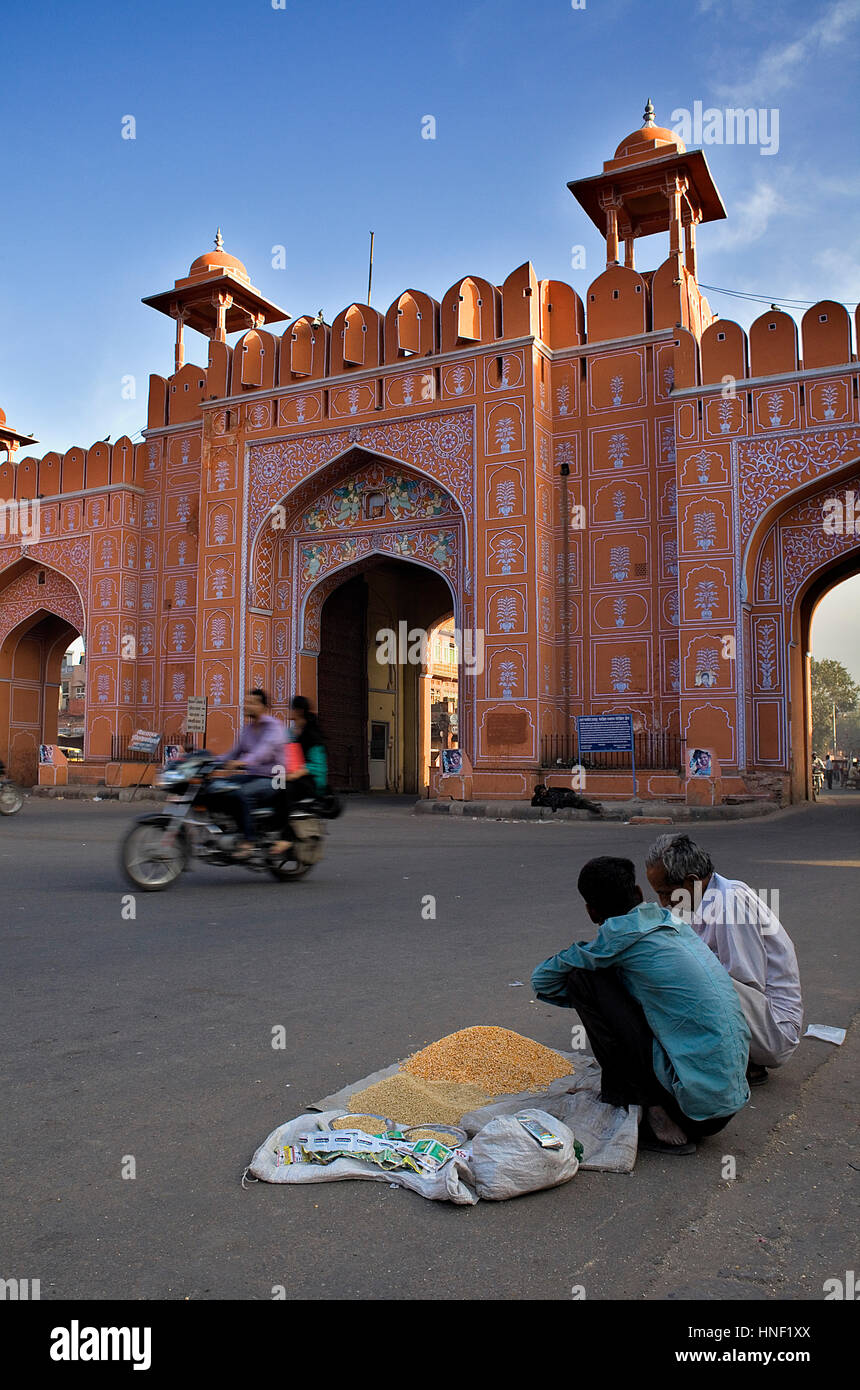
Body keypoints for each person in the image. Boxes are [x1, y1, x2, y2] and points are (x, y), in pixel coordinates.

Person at [532, 857, 750, 1155]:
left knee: (583, 980)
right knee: (618, 981)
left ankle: (652, 1107)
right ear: (638, 893)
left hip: (692, 1112)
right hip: (726, 1102)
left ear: (591, 911)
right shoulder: (670, 923)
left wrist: (602, 982)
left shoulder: (618, 937)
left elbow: (542, 980)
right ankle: (655, 1095)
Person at [644, 834, 802, 1085]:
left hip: (772, 1028)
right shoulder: (698, 900)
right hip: (749, 1014)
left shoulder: (731, 903)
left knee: (682, 975)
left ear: (692, 882)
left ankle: (737, 1059)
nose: (663, 903)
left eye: (665, 894)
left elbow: (748, 983)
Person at [220, 689, 286, 859]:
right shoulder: (248, 730)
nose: (246, 706)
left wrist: (242, 762)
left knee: (241, 793)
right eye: (246, 702)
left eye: (251, 702)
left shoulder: (274, 727)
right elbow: (233, 753)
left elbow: (263, 751)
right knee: (221, 787)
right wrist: (208, 761)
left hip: (275, 779)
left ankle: (249, 841)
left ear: (263, 707)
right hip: (253, 776)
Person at [270, 696, 328, 857]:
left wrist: (295, 774)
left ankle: (286, 838)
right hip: (295, 776)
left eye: (291, 708)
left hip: (311, 780)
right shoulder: (291, 732)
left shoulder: (311, 734)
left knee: (285, 791)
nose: (289, 711)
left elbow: (317, 764)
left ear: (299, 711)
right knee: (271, 787)